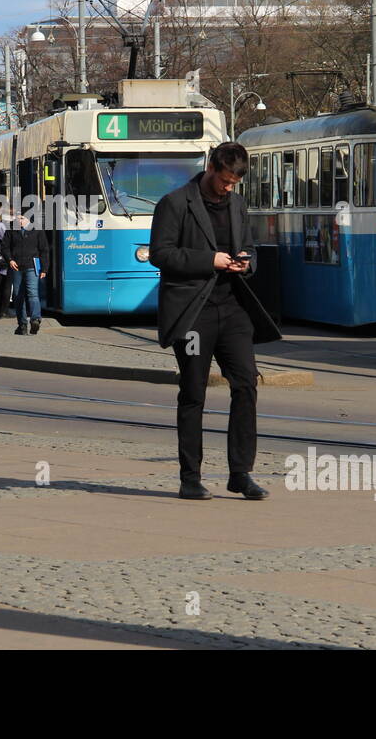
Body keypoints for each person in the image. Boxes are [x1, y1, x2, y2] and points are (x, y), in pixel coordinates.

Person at [149, 141, 282, 502]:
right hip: (193, 311)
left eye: (233, 183)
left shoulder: (238, 204)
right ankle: (190, 477)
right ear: (210, 167)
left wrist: (245, 262)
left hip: (234, 309)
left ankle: (240, 473)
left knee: (246, 385)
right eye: (223, 180)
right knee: (194, 392)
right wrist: (211, 260)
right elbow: (160, 254)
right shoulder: (175, 203)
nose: (227, 188)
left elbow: (250, 247)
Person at [4, 210, 50, 336]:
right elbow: (5, 247)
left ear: (29, 219)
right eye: (17, 218)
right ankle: (22, 325)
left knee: (32, 293)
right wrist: (10, 259)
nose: (19, 220)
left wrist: (44, 269)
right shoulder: (11, 230)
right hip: (16, 267)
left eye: (22, 218)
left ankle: (35, 319)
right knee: (18, 295)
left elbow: (44, 250)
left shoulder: (37, 231)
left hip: (32, 266)